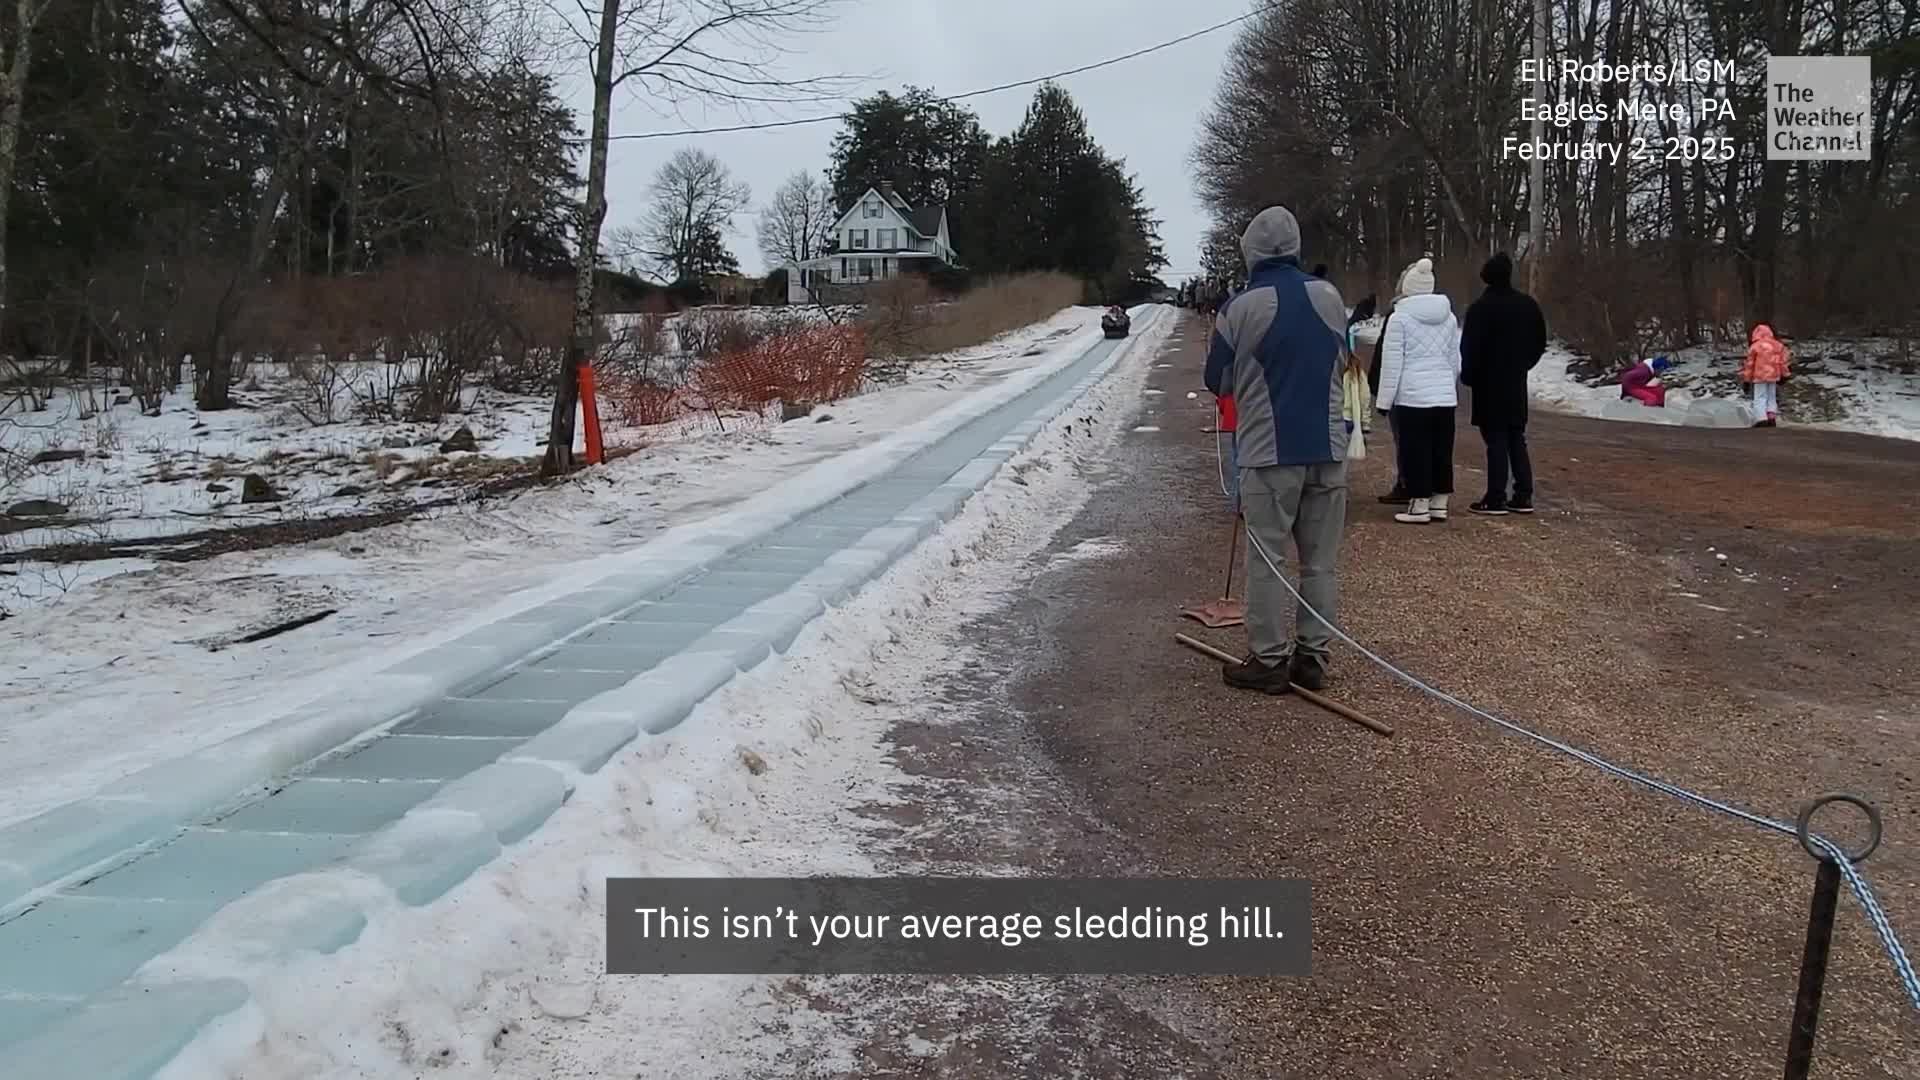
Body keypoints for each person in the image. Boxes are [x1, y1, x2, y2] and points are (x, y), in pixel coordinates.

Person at [1203, 206, 1350, 694]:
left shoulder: (1239, 307)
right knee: (1320, 561)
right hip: (1328, 447)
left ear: (1250, 253)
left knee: (1267, 559)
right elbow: (1343, 358)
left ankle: (1268, 658)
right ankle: (1313, 657)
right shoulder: (1329, 297)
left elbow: (1216, 378)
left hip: (1269, 452)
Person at [1459, 252, 1547, 515]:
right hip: (1515, 379)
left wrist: (1470, 376)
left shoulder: (1480, 309)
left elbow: (1470, 347)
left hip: (1488, 383)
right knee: (1515, 436)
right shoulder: (1528, 306)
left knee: (1495, 438)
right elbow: (1539, 342)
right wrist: (1523, 364)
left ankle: (1496, 496)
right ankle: (1523, 494)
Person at [1374, 257, 1461, 524]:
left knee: (1416, 449)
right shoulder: (1449, 317)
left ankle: (1419, 504)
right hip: (1444, 396)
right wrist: (1447, 386)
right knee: (1442, 449)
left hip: (1413, 396)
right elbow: (1454, 359)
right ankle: (1439, 502)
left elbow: (1392, 363)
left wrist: (1384, 401)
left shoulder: (1400, 318)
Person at [1743, 324, 1790, 427]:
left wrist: (1746, 380)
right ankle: (1771, 417)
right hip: (1773, 375)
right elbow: (1783, 362)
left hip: (1759, 376)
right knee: (1771, 396)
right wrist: (1785, 375)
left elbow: (1750, 364)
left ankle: (1761, 419)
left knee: (1760, 397)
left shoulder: (1755, 346)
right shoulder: (1778, 345)